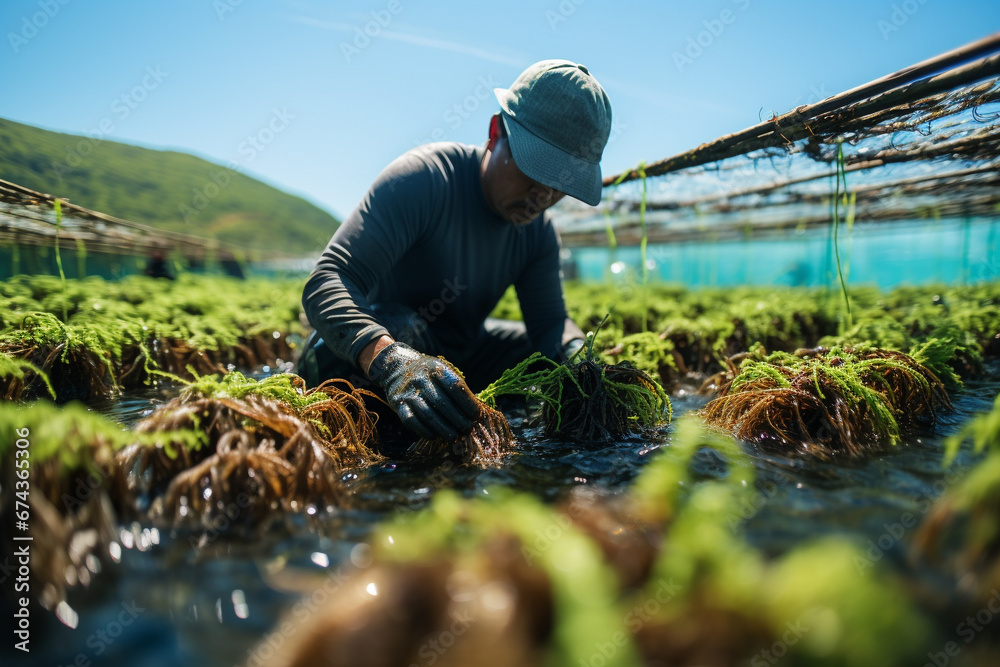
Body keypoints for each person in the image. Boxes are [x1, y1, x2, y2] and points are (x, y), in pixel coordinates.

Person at [300, 60, 612, 442]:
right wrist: (390, 361)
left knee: (552, 361)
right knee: (398, 328)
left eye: (561, 183)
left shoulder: (538, 234)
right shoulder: (425, 179)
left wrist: (582, 358)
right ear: (496, 131)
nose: (543, 196)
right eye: (536, 170)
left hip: (463, 355)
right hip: (382, 352)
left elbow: (549, 325)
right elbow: (328, 279)